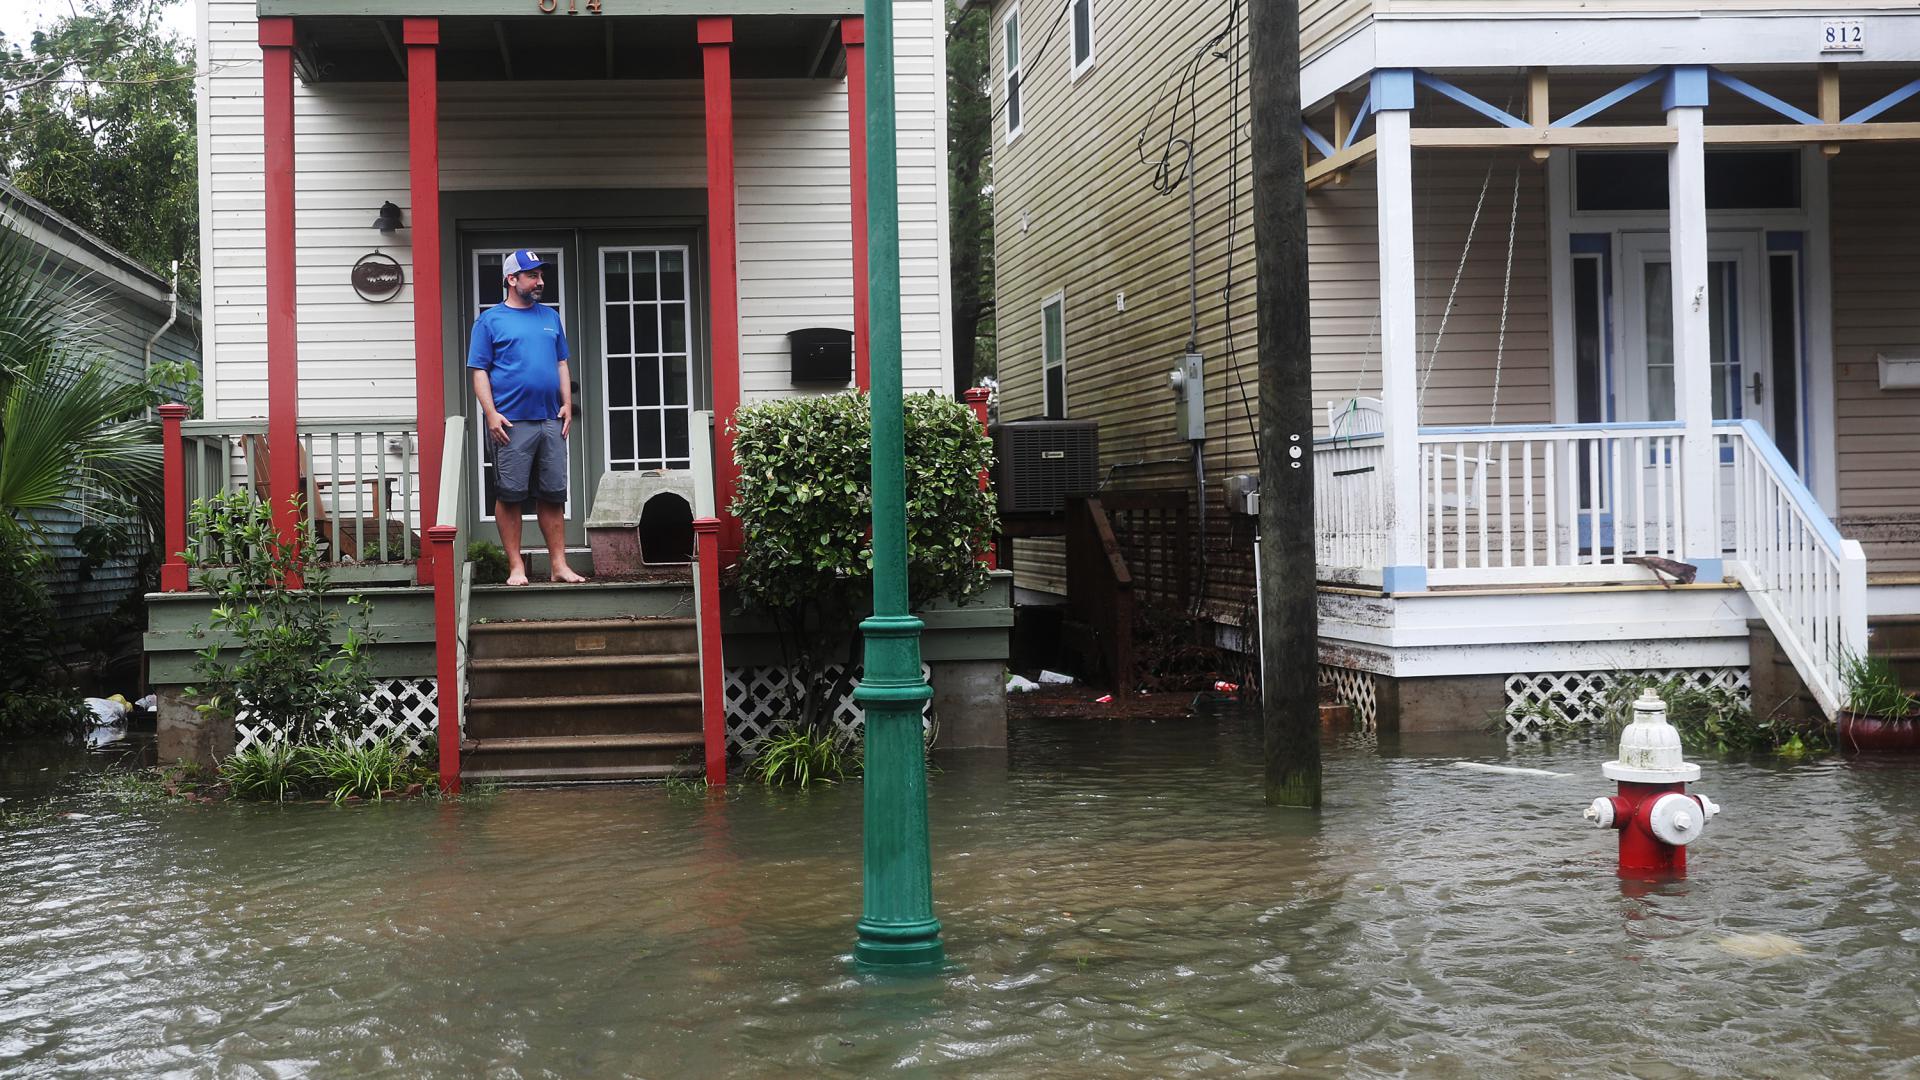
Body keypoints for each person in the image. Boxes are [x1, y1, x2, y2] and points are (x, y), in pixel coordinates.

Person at [468, 249, 586, 585]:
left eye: (541, 275)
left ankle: (559, 566)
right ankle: (516, 567)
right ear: (511, 279)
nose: (540, 281)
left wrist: (566, 404)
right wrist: (490, 414)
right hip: (511, 423)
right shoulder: (490, 321)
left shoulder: (550, 317)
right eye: (532, 275)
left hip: (550, 420)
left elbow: (561, 362)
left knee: (553, 494)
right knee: (510, 495)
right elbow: (479, 371)